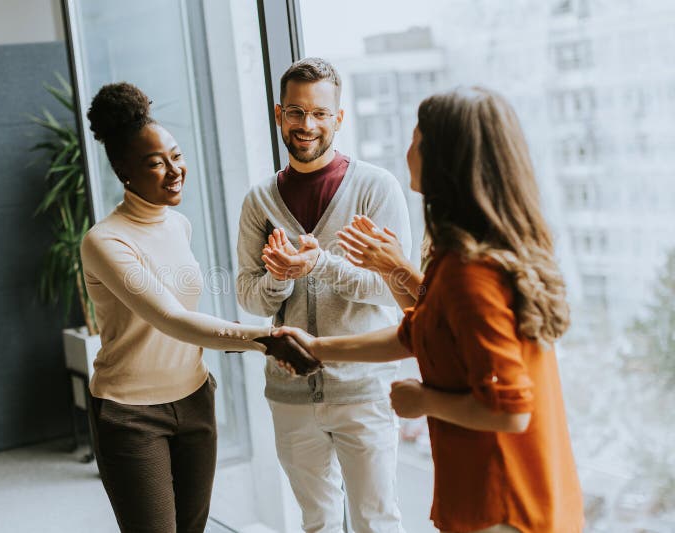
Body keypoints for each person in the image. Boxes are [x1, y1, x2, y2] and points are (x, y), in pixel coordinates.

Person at [277, 87, 585, 533]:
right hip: (519, 491)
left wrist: (423, 400)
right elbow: (421, 332)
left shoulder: (469, 272)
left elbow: (511, 410)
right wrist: (318, 347)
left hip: (501, 504)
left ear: (445, 161)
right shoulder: (471, 254)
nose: (407, 151)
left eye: (417, 140)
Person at [80, 82, 318, 533]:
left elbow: (182, 312)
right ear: (124, 172)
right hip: (131, 413)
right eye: (155, 163)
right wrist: (265, 339)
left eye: (177, 155)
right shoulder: (105, 242)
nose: (174, 171)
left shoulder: (179, 224)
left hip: (192, 399)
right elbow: (169, 318)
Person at [236, 58, 411, 533]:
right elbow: (250, 297)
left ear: (339, 117)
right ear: (279, 115)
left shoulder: (376, 188)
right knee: (317, 521)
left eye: (319, 113)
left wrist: (320, 264)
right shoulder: (258, 200)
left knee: (376, 520)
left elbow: (392, 288)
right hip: (289, 390)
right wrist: (280, 278)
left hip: (364, 389)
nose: (306, 125)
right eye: (295, 112)